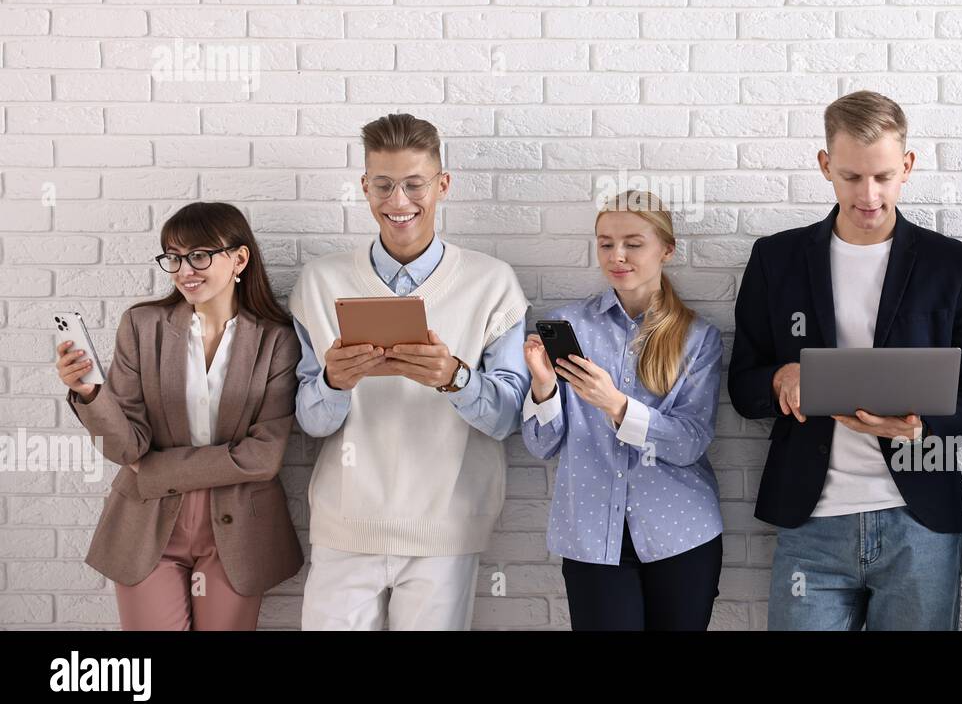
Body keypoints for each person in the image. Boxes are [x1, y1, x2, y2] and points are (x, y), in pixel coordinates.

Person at [729, 90, 962, 631]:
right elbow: (742, 385)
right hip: (811, 523)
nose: (868, 195)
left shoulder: (954, 265)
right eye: (851, 177)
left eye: (882, 176)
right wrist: (781, 377)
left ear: (907, 166)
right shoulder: (776, 259)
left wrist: (921, 427)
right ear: (825, 165)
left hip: (919, 523)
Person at [291, 112, 530, 630]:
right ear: (365, 187)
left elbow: (510, 419)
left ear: (442, 185)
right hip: (344, 526)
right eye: (383, 185)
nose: (399, 202)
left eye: (414, 184)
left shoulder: (492, 284)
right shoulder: (319, 281)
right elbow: (311, 423)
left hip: (444, 528)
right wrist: (334, 382)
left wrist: (456, 378)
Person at [56, 201, 303, 630]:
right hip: (147, 528)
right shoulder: (141, 325)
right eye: (174, 257)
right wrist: (90, 393)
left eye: (200, 255)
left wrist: (152, 469)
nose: (185, 269)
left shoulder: (276, 341)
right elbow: (125, 447)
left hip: (240, 530)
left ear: (239, 258)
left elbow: (263, 458)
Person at [521, 190, 724, 630]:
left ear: (666, 250)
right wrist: (542, 386)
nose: (617, 256)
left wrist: (616, 405)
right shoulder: (568, 326)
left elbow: (689, 441)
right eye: (605, 243)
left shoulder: (698, 338)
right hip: (592, 538)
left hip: (681, 535)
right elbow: (541, 446)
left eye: (633, 243)